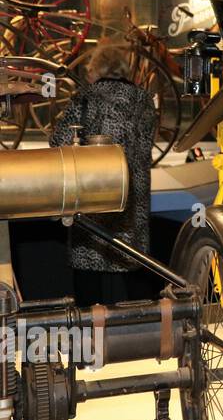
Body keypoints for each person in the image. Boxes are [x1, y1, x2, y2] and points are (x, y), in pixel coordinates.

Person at [50, 42, 158, 305]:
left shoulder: (85, 97)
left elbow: (60, 144)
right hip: (131, 196)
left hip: (94, 196)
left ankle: (91, 337)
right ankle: (142, 333)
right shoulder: (143, 99)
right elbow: (145, 147)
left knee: (89, 280)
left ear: (97, 69)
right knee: (134, 271)